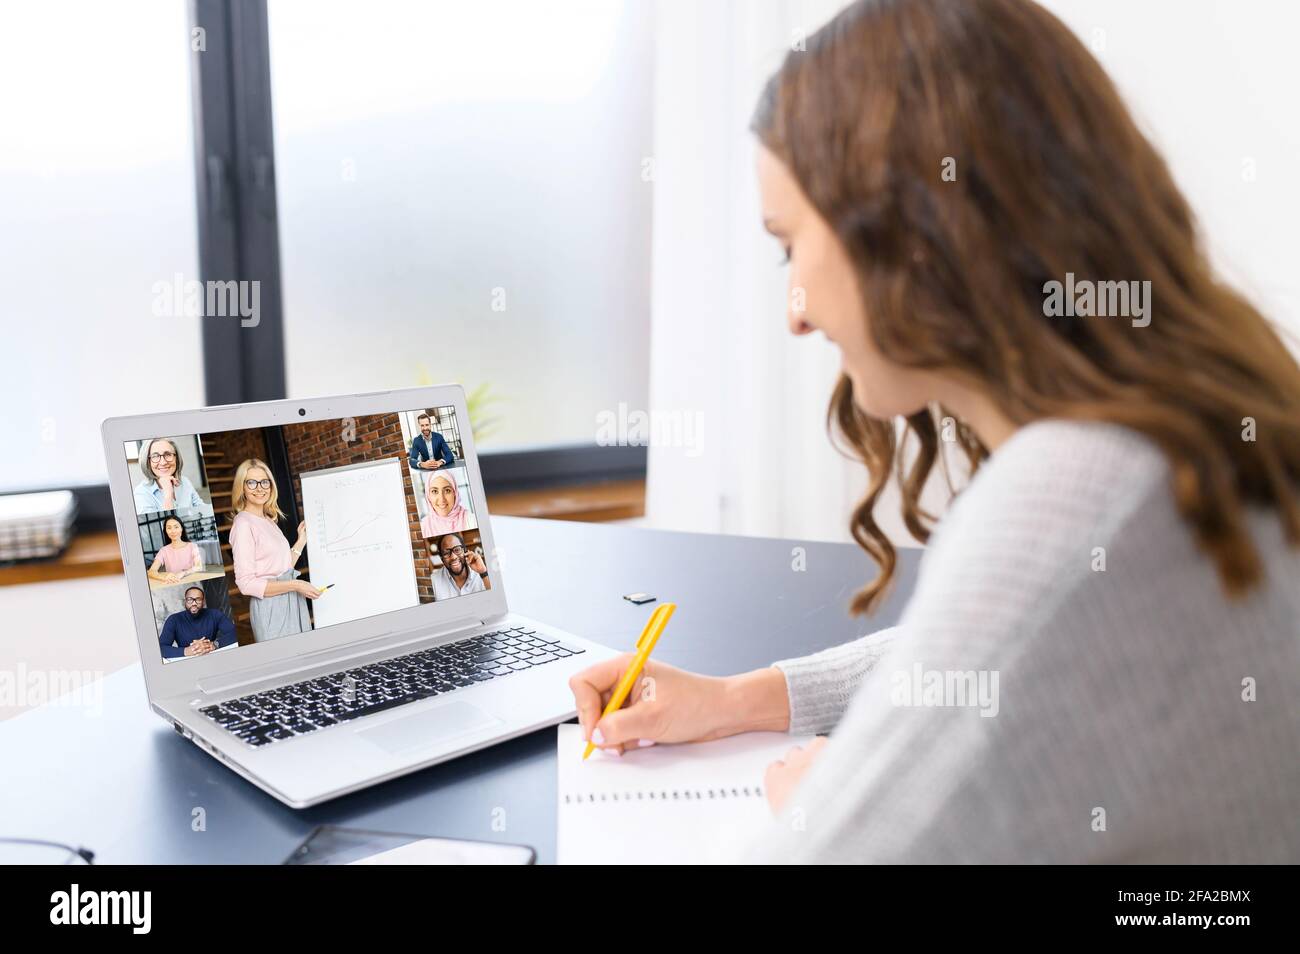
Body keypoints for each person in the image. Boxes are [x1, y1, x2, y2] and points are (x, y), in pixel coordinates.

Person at [568, 0, 1300, 863]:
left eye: (789, 244)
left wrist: (822, 809)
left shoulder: (1074, 498)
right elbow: (987, 654)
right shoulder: (1181, 433)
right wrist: (738, 700)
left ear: (912, 231)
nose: (796, 314)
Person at [228, 458, 318, 642]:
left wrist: (301, 541)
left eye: (264, 481)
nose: (259, 488)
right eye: (251, 482)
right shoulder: (243, 524)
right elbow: (246, 584)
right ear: (242, 487)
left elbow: (282, 568)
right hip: (271, 608)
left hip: (292, 600)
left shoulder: (268, 519)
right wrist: (296, 585)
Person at [159, 586, 236, 659]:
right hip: (187, 662)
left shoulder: (215, 614)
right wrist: (186, 651)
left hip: (212, 656)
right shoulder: (173, 620)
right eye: (190, 599)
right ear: (185, 601)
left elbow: (235, 633)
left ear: (203, 602)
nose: (194, 603)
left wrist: (214, 644)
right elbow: (161, 648)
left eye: (198, 599)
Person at [133, 438, 204, 512]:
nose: (163, 462)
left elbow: (201, 508)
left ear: (176, 458)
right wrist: (168, 496)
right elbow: (165, 523)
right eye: (155, 456)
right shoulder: (141, 493)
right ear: (147, 462)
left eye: (168, 454)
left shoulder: (185, 481)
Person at [429, 533, 491, 600]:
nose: (453, 557)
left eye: (457, 550)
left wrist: (483, 573)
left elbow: (496, 599)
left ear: (465, 550)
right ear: (442, 559)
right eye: (446, 553)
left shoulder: (483, 573)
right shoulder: (433, 581)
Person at [146, 515, 204, 585]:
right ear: (166, 531)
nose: (173, 531)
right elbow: (151, 571)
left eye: (176, 527)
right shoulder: (163, 550)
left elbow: (198, 566)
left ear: (181, 528)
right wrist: (164, 577)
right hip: (172, 583)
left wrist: (183, 573)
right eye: (169, 528)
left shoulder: (193, 546)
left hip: (191, 582)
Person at [420, 471, 474, 537]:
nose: (442, 499)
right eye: (435, 491)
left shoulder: (471, 520)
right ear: (428, 496)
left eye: (447, 490)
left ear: (455, 493)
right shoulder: (423, 527)